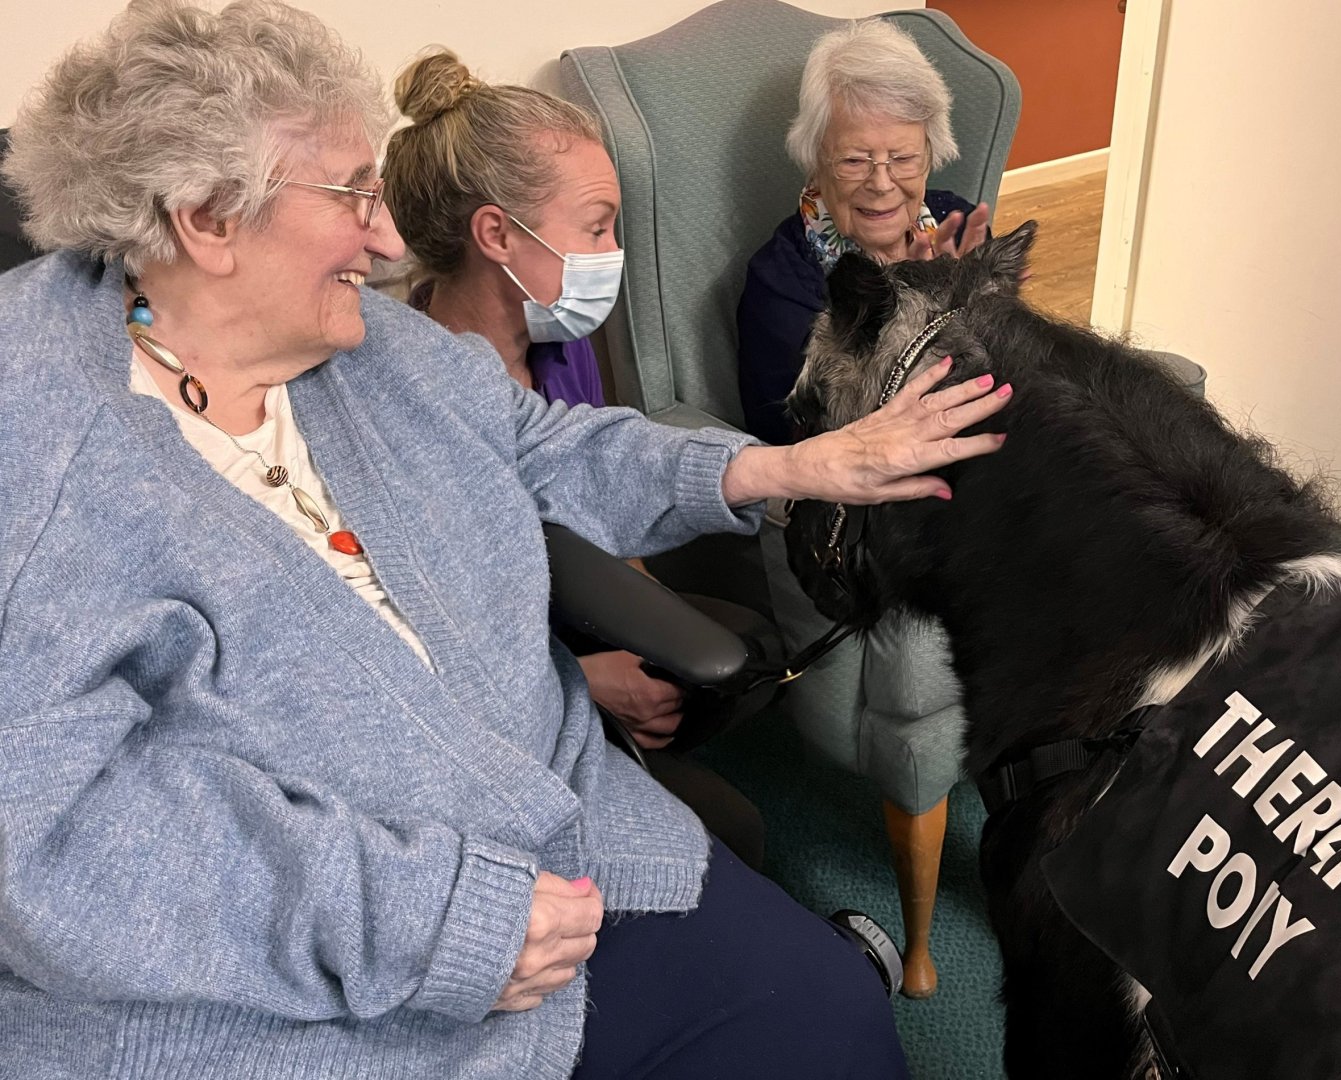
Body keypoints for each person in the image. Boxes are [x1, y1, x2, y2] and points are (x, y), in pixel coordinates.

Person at [0, 3, 1012, 1078]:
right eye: (350, 194)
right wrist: (429, 919)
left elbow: (544, 447)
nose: (387, 239)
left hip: (560, 826)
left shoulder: (373, 346)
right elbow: (52, 840)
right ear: (208, 216)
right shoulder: (43, 442)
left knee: (829, 1025)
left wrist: (788, 467)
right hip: (317, 984)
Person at [379, 52, 773, 869]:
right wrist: (586, 682)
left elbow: (600, 489)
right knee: (735, 834)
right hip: (498, 673)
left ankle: (633, 751)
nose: (612, 252)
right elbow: (435, 633)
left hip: (572, 599)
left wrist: (644, 614)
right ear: (496, 234)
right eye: (595, 227)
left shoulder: (559, 345)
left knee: (742, 650)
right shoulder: (411, 395)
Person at [738, 18, 993, 445]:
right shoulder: (780, 287)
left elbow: (1008, 361)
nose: (881, 183)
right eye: (854, 160)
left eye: (904, 157)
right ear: (817, 161)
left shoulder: (960, 226)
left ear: (931, 154)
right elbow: (794, 447)